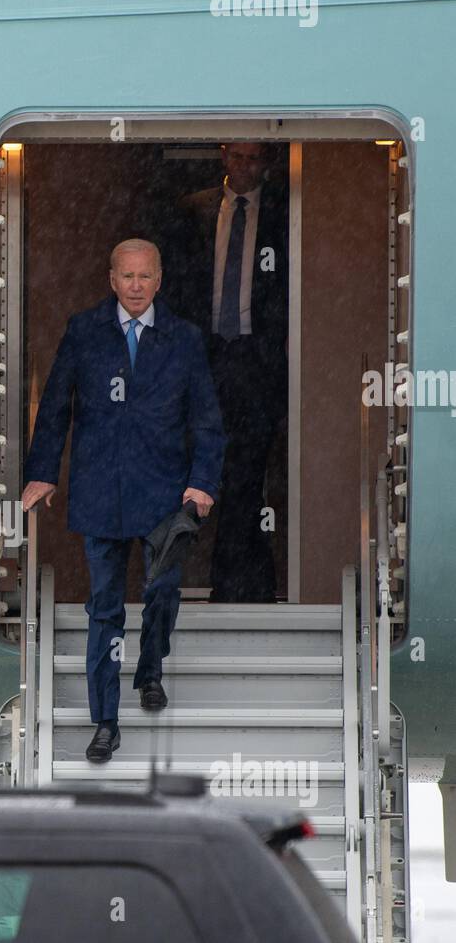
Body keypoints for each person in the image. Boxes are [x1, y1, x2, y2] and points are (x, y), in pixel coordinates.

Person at [22, 239, 225, 764]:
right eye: (126, 276)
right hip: (100, 492)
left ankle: (151, 668)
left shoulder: (183, 339)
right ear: (111, 280)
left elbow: (207, 419)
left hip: (163, 492)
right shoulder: (84, 331)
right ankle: (105, 722)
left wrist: (203, 482)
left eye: (145, 276)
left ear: (160, 280)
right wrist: (43, 473)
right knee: (105, 611)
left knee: (162, 593)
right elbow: (54, 408)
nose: (136, 286)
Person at [170, 142, 288, 603]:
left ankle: (237, 585)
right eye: (237, 156)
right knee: (188, 470)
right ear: (223, 156)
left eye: (254, 158)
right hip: (203, 356)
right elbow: (177, 283)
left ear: (266, 162)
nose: (244, 166)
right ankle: (170, 581)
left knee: (245, 475)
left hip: (254, 361)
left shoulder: (282, 212)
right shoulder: (192, 211)